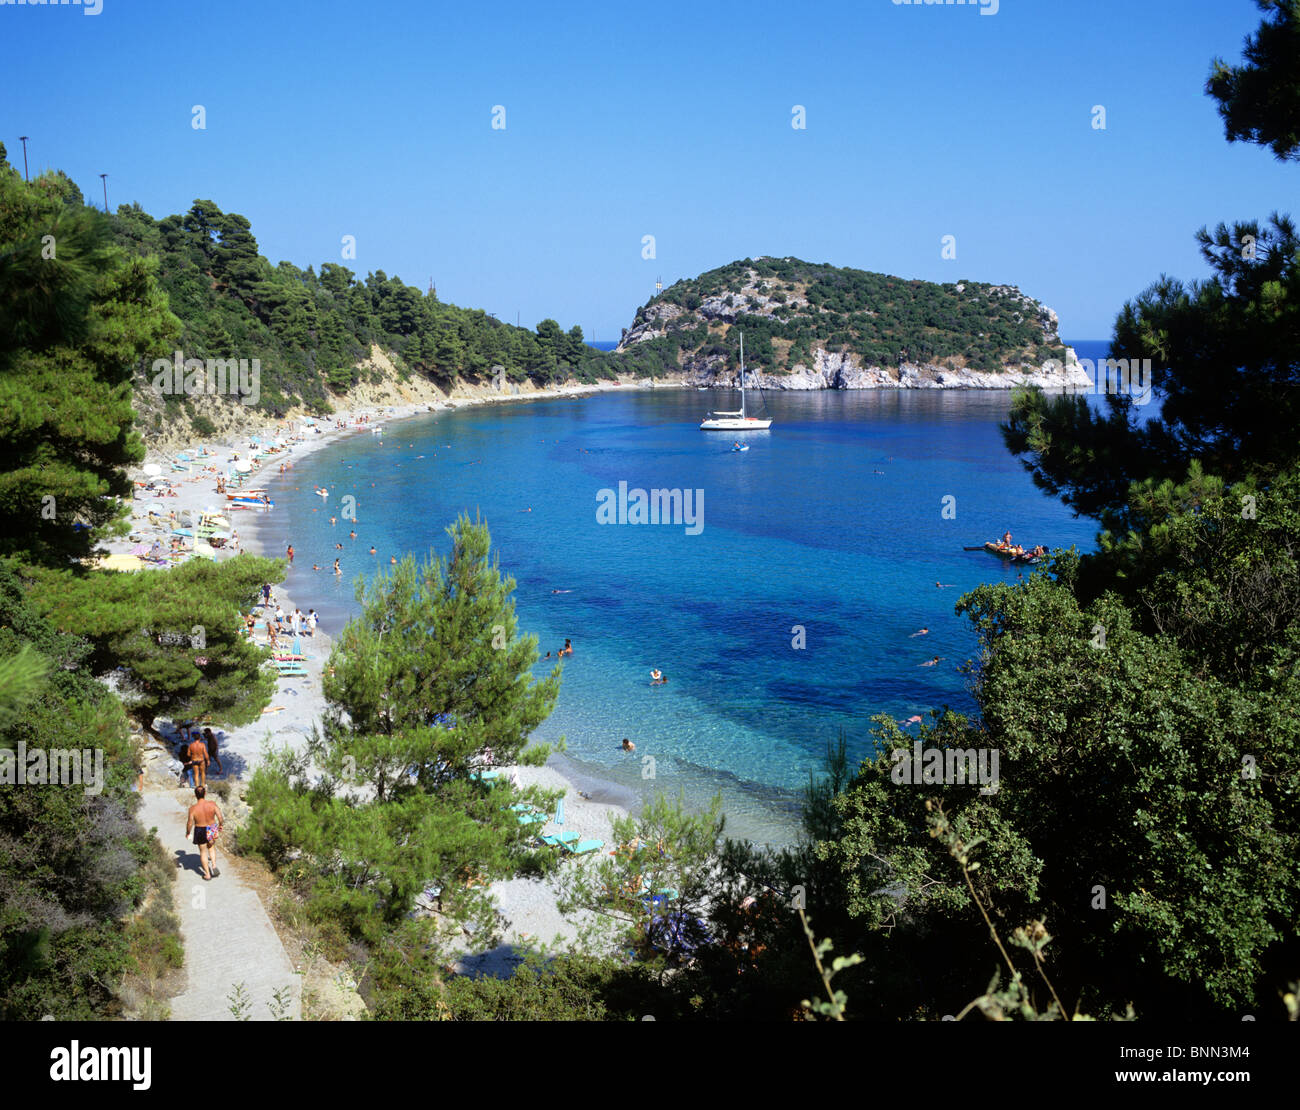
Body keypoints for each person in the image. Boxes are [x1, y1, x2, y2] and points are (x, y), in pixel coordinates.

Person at [185, 786, 224, 881]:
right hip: (211, 827)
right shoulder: (212, 804)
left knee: (203, 852)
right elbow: (220, 817)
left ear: (195, 795)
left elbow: (190, 823)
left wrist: (188, 832)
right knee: (211, 847)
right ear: (205, 793)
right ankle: (214, 866)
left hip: (200, 829)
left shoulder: (193, 809)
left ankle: (207, 874)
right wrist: (220, 825)